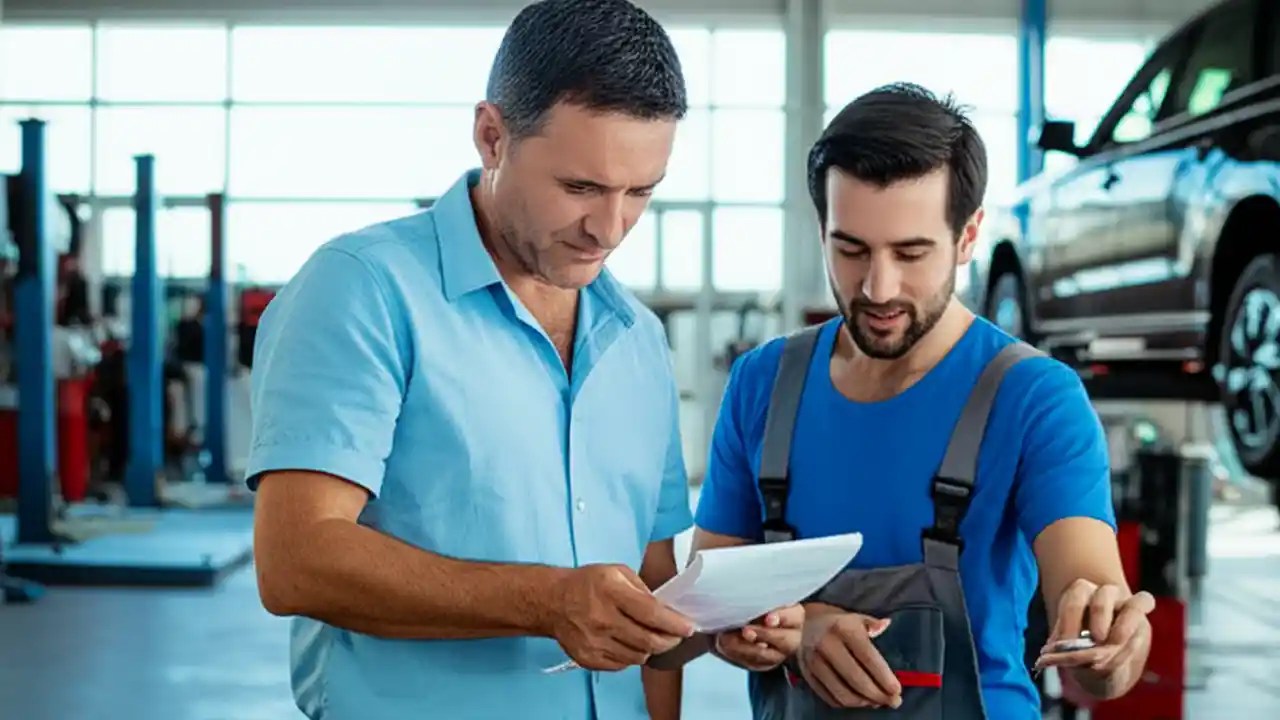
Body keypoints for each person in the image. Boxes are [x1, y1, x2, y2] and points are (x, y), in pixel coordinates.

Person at [243, 2, 801, 718]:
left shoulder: (636, 338)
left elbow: (651, 590)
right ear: (491, 136)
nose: (609, 228)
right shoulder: (363, 290)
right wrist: (551, 601)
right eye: (580, 188)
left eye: (641, 193)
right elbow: (296, 560)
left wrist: (722, 627)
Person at [687, 83, 1155, 719]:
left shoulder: (1035, 399)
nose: (878, 287)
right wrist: (802, 630)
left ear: (968, 237)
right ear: (821, 228)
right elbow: (702, 607)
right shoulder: (762, 385)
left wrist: (1110, 646)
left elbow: (1093, 596)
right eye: (850, 249)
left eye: (911, 253)